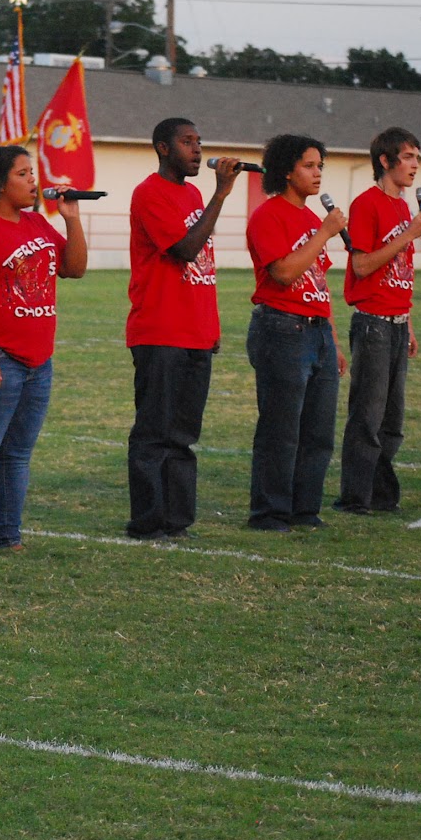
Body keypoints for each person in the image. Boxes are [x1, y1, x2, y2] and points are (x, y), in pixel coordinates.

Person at [0, 144, 88, 555]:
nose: (34, 181)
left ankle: (9, 536)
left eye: (32, 173)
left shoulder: (37, 224)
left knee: (17, 455)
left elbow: (74, 268)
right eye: (23, 174)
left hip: (36, 359)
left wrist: (72, 220)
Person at [124, 118, 239, 540]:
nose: (197, 149)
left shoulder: (192, 193)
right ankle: (148, 521)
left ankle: (177, 520)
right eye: (187, 142)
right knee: (155, 431)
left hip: (194, 332)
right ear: (163, 148)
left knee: (184, 435)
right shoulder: (149, 193)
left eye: (199, 141)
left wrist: (210, 326)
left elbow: (205, 268)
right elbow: (186, 250)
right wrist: (222, 193)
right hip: (160, 330)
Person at [245, 134, 347, 532]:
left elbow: (319, 284)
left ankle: (305, 509)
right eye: (309, 165)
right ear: (287, 171)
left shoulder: (310, 218)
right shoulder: (268, 215)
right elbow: (284, 273)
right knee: (280, 430)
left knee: (318, 431)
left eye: (320, 165)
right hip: (282, 329)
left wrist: (333, 341)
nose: (317, 172)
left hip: (317, 330)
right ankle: (270, 513)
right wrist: (324, 232)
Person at [335, 128, 421, 515]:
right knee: (368, 415)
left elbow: (401, 268)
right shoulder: (368, 204)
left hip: (395, 321)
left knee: (392, 420)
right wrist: (408, 234)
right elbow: (361, 264)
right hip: (373, 322)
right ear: (385, 161)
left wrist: (407, 320)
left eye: (417, 159)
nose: (414, 166)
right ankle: (356, 496)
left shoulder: (403, 207)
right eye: (408, 157)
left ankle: (379, 491)